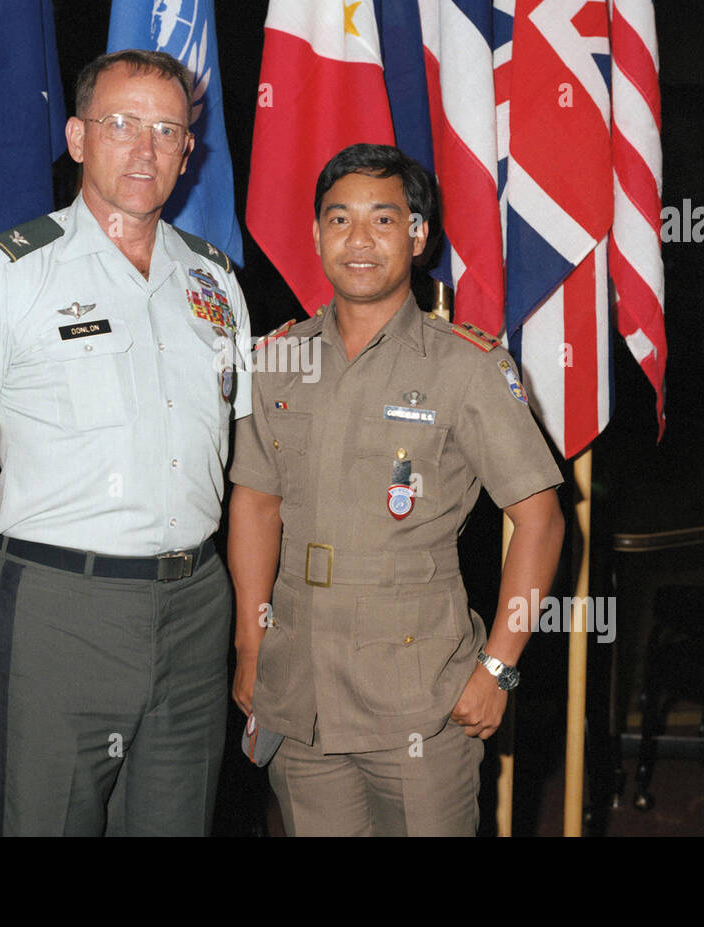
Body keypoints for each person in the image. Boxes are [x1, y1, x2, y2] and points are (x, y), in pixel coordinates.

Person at [0, 49, 250, 836]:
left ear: (188, 153)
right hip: (56, 612)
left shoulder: (217, 284)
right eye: (122, 124)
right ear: (79, 137)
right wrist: (8, 597)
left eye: (168, 131)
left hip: (196, 608)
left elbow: (249, 452)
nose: (146, 149)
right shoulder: (6, 275)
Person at [227, 143, 564, 836]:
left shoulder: (467, 368)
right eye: (339, 219)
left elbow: (541, 521)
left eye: (383, 220)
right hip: (301, 690)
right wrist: (250, 647)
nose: (358, 240)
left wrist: (498, 667)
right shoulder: (276, 362)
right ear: (317, 233)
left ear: (418, 236)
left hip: (421, 696)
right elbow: (256, 505)